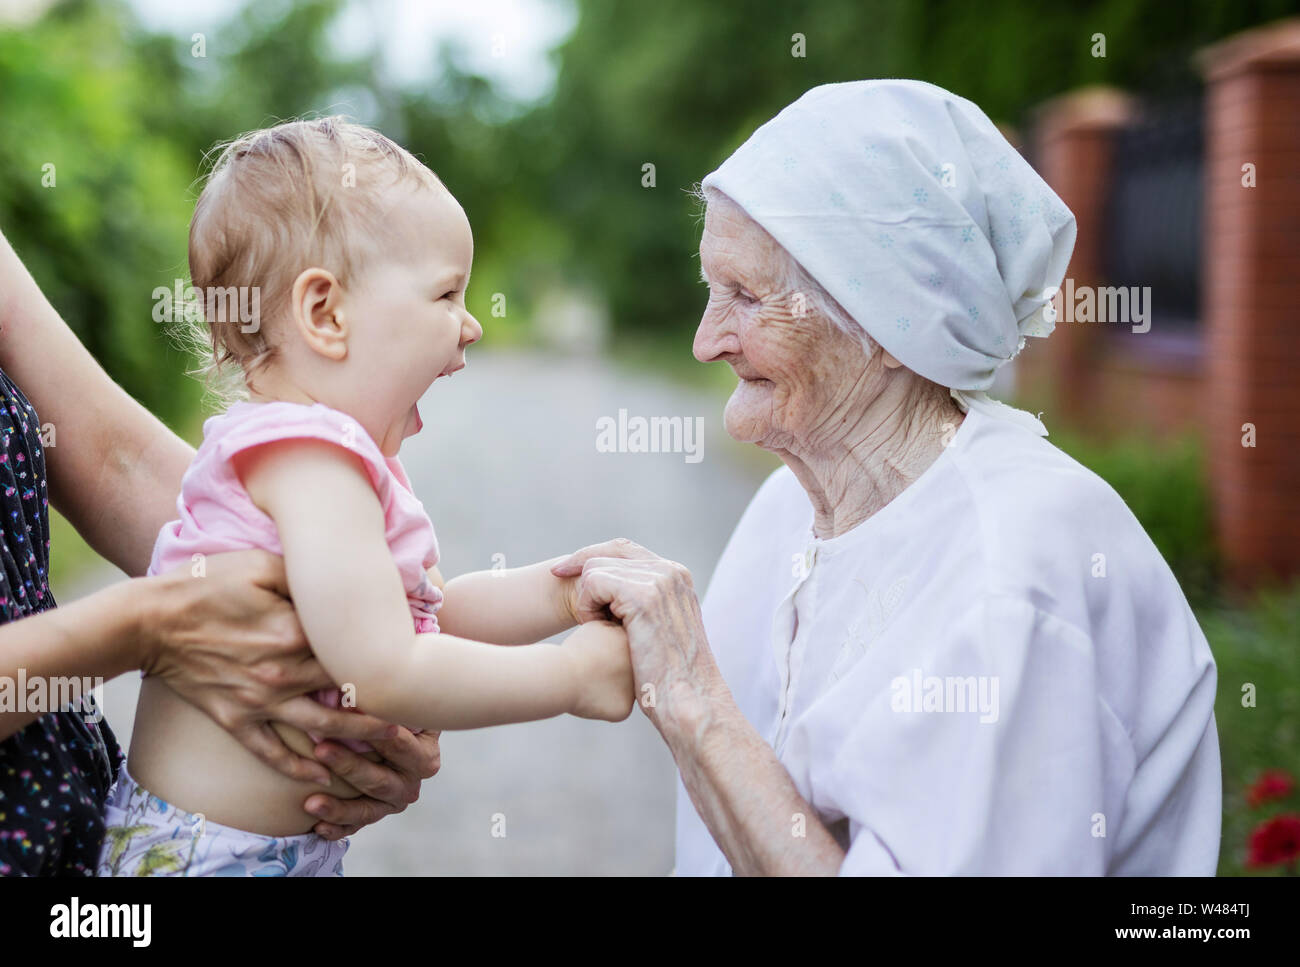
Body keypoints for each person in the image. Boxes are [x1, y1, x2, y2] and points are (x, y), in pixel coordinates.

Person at [553, 79, 1222, 875]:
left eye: (745, 296)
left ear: (892, 325)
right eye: (710, 290)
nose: (706, 341)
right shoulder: (790, 504)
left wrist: (694, 702)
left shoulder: (1012, 574)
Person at [96, 118, 634, 877]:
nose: (472, 325)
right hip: (208, 861)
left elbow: (426, 614)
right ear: (326, 314)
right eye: (447, 293)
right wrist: (574, 679)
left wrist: (560, 598)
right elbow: (383, 667)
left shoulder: (326, 458)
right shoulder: (308, 460)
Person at [0, 228, 444, 877]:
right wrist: (144, 626)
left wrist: (374, 612)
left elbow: (113, 460)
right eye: (445, 293)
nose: (469, 327)